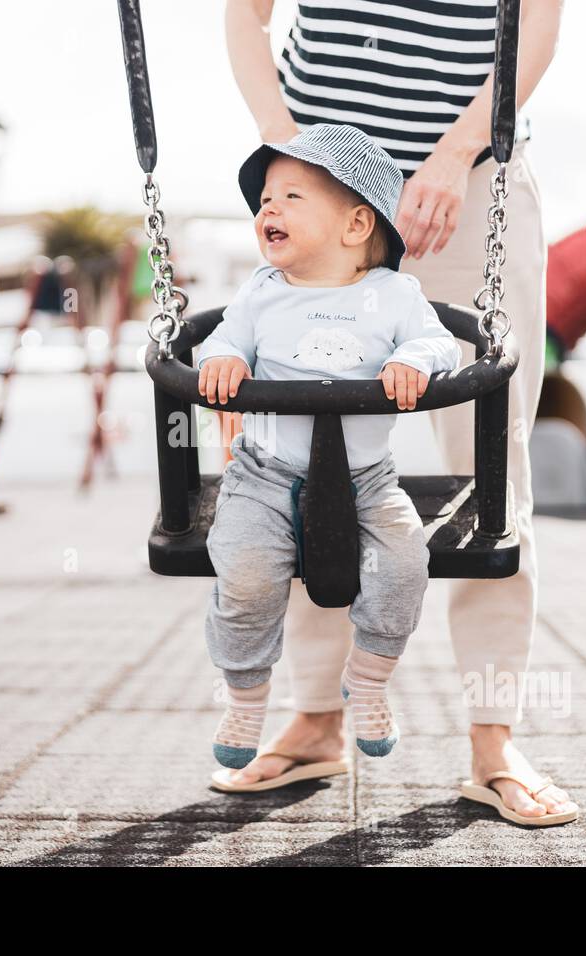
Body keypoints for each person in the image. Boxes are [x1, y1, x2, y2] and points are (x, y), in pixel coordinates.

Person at [217, 0, 579, 825]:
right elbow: (247, 18)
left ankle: (493, 742)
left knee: (496, 468)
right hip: (320, 197)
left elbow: (535, 27)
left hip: (470, 182)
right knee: (304, 456)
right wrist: (298, 163)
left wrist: (454, 155)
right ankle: (315, 719)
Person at [198, 123, 462, 778]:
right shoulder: (261, 292)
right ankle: (246, 697)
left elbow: (441, 345)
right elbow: (218, 343)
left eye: (291, 197)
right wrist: (226, 360)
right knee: (247, 574)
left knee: (404, 565)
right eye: (264, 200)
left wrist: (410, 360)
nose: (268, 209)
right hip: (262, 475)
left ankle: (369, 682)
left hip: (366, 480)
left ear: (354, 226)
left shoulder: (395, 296)